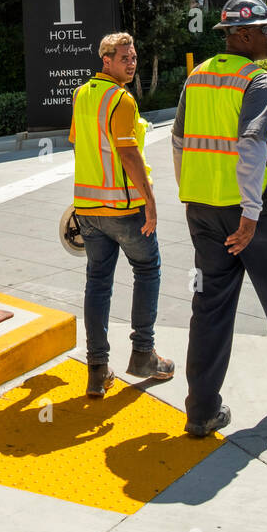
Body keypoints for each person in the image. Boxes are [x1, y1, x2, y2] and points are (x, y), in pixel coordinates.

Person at [172, 0, 267, 437]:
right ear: (240, 34)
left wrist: (189, 194)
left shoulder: (196, 79)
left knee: (210, 308)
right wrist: (251, 212)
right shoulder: (256, 81)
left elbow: (179, 142)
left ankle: (201, 411)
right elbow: (252, 144)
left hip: (202, 210)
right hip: (250, 214)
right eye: (264, 29)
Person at [70, 31, 174, 399]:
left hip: (89, 209)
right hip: (125, 209)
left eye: (133, 57)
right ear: (106, 61)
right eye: (124, 58)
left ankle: (97, 369)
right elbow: (127, 156)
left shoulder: (82, 95)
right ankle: (143, 354)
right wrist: (150, 199)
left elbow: (82, 145)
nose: (131, 63)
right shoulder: (122, 100)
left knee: (98, 284)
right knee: (148, 270)